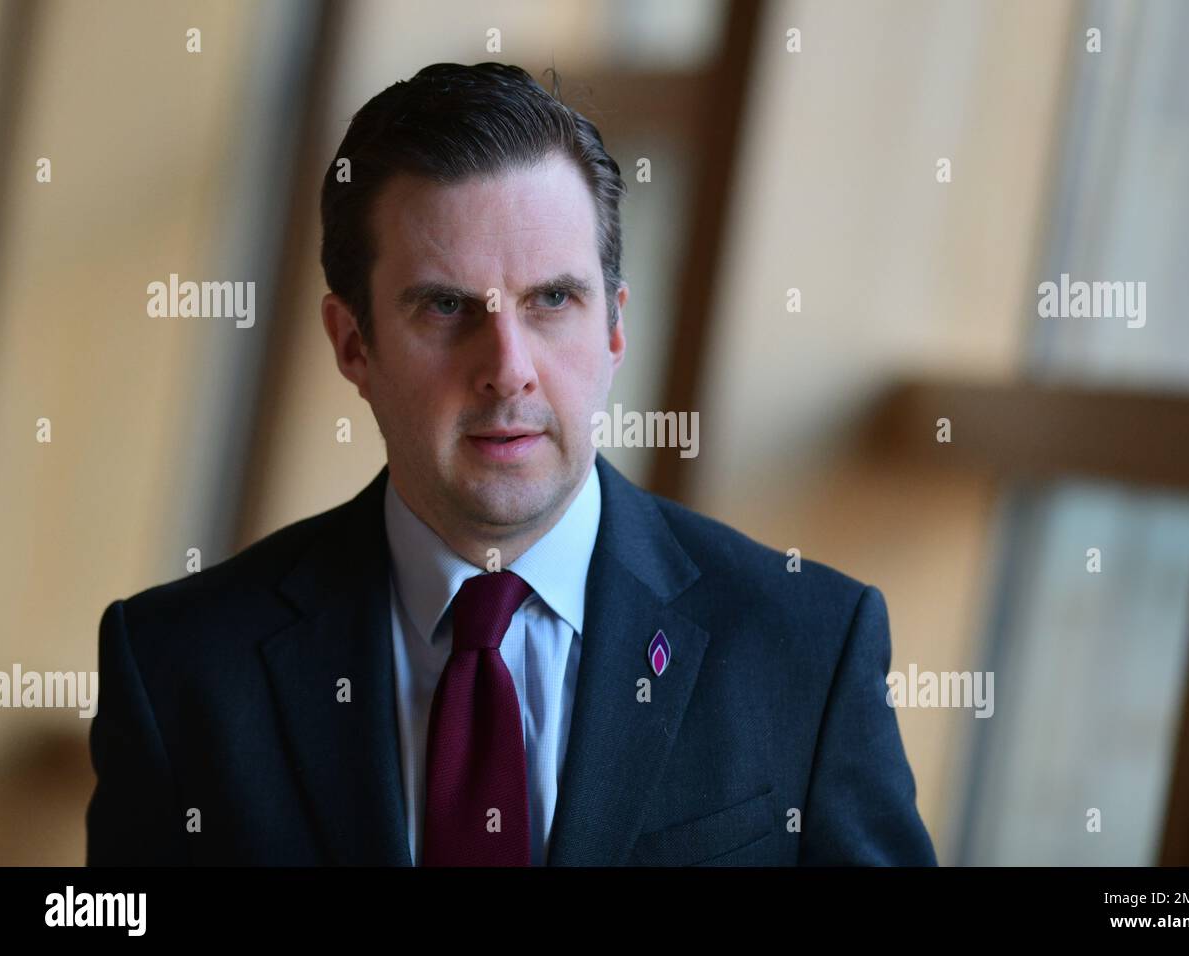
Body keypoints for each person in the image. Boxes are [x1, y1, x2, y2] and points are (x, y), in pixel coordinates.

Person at [86, 62, 936, 867]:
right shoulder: (180, 667)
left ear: (613, 329)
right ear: (352, 344)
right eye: (447, 307)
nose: (509, 367)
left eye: (553, 301)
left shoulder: (806, 649)